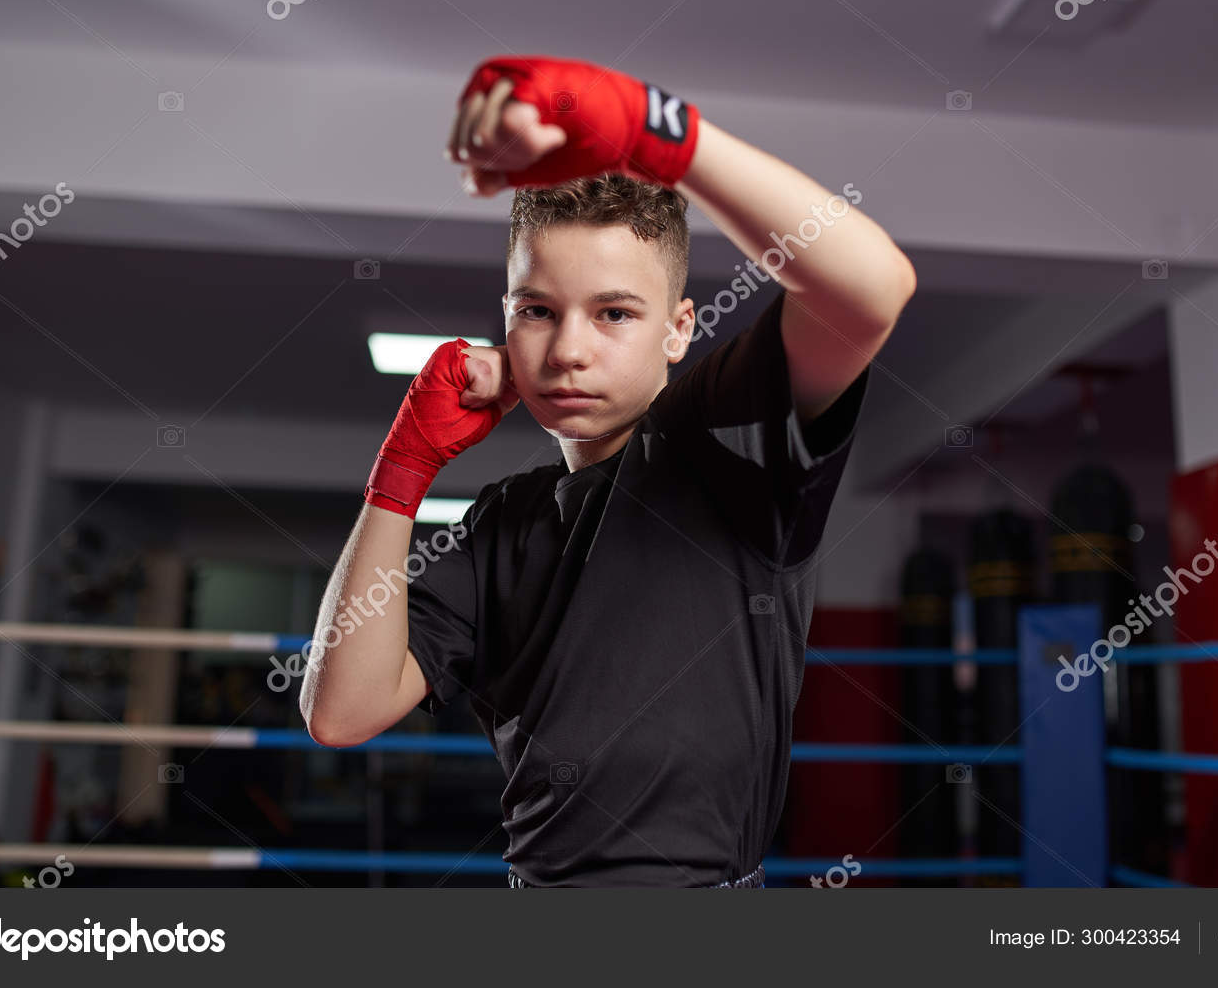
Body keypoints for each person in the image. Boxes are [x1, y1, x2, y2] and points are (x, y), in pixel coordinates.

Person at [300, 56, 916, 887]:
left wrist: (658, 133)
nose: (569, 349)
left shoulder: (723, 445)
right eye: (537, 311)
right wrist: (402, 469)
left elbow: (874, 286)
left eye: (615, 313)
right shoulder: (501, 522)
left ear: (679, 328)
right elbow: (341, 710)